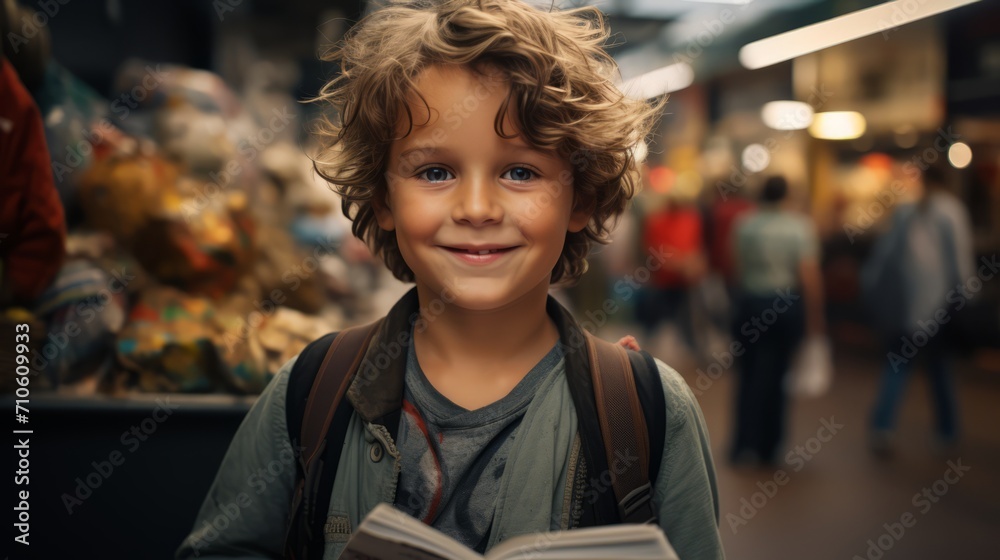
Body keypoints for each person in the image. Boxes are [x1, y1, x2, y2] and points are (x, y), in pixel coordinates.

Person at [177, 1, 724, 559]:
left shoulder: (647, 412)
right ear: (384, 197)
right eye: (435, 172)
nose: (478, 207)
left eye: (520, 171)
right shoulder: (311, 390)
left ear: (579, 197)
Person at [862, 163, 973, 455]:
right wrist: (968, 298)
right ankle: (947, 432)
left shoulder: (906, 212)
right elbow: (960, 262)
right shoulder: (951, 210)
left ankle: (882, 427)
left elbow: (883, 258)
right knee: (939, 369)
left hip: (904, 307)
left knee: (898, 366)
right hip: (938, 305)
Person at [729, 176, 824, 466]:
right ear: (786, 196)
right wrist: (815, 320)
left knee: (747, 376)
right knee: (778, 376)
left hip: (750, 304)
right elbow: (808, 276)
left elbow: (735, 266)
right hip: (785, 308)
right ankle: (771, 447)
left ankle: (743, 444)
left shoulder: (745, 224)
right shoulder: (799, 227)